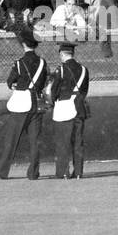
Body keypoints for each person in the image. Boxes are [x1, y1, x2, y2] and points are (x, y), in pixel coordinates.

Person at [0, 29, 49, 179]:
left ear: (23, 45)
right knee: (35, 141)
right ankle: (33, 173)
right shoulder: (42, 62)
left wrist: (15, 85)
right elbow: (44, 81)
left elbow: (10, 81)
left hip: (22, 103)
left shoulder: (19, 63)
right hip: (37, 103)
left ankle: (2, 171)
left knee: (11, 138)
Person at [50, 41, 90, 179]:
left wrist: (53, 101)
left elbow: (54, 91)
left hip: (64, 108)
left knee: (63, 141)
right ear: (73, 53)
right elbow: (84, 90)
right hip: (79, 107)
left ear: (62, 54)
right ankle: (78, 172)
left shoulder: (60, 70)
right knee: (78, 142)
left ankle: (63, 172)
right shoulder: (84, 69)